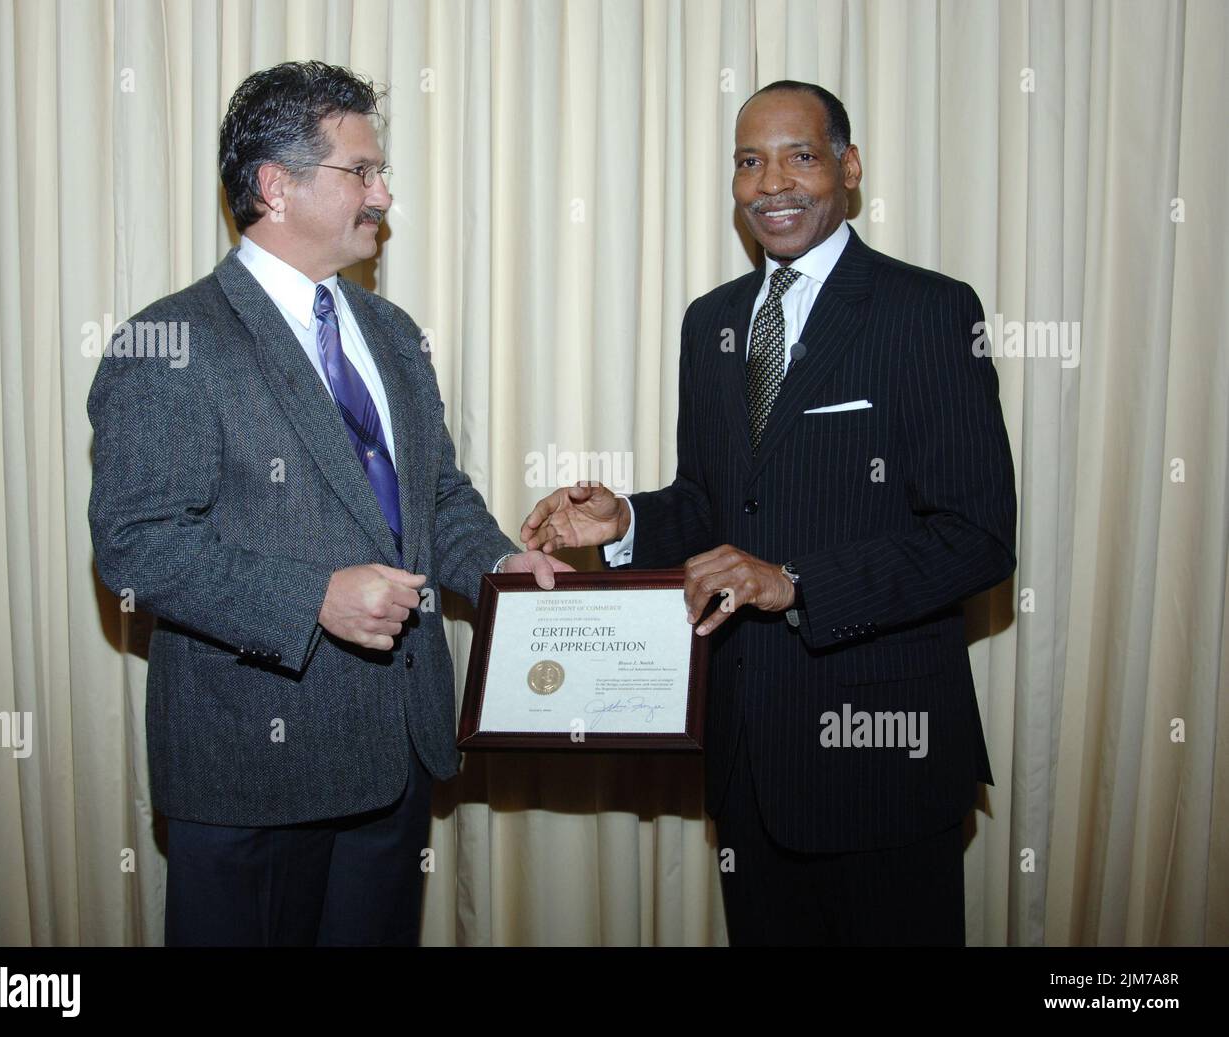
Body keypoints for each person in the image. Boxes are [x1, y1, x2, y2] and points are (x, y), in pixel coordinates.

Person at [522, 81, 1016, 946]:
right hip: (747, 755)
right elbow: (716, 504)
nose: (772, 182)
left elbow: (976, 537)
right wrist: (627, 521)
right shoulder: (710, 322)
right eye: (750, 161)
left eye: (800, 155)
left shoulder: (930, 310)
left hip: (882, 760)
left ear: (848, 167)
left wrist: (796, 583)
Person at [87, 60, 568, 946]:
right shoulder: (169, 342)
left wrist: (500, 564)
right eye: (364, 171)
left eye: (381, 172)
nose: (384, 193)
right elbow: (138, 543)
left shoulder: (390, 332)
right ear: (276, 186)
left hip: (397, 756)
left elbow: (435, 497)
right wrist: (313, 596)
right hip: (254, 776)